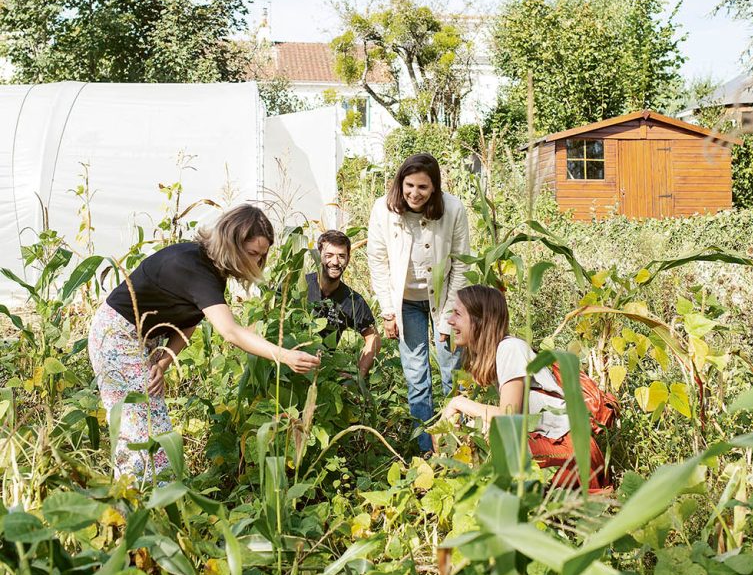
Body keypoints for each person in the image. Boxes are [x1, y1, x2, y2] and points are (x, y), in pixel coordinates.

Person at [88, 203, 321, 482]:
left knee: (151, 425)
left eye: (262, 256)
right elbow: (231, 332)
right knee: (142, 428)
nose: (256, 264)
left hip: (145, 340)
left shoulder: (211, 272)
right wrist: (284, 356)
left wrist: (163, 361)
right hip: (115, 337)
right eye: (251, 254)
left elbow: (188, 322)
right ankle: (135, 507)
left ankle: (147, 504)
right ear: (232, 242)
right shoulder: (193, 268)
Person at [437, 285, 605, 490]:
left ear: (480, 320)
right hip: (557, 448)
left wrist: (458, 403)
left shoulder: (510, 348)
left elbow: (508, 417)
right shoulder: (501, 352)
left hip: (568, 452)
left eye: (457, 313)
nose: (450, 321)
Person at [367, 153, 470, 453]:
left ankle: (457, 444)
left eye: (423, 187)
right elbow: (378, 261)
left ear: (434, 189)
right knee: (417, 378)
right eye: (409, 185)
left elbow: (461, 265)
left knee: (453, 372)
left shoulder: (453, 209)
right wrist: (388, 311)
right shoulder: (383, 210)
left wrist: (447, 318)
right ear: (400, 184)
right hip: (406, 303)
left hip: (447, 298)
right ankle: (427, 449)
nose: (414, 193)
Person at [306, 230, 381, 375]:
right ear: (318, 255)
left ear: (348, 259)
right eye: (329, 256)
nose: (335, 262)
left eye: (341, 256)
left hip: (323, 375)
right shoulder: (298, 286)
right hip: (287, 371)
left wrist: (359, 374)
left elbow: (374, 337)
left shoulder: (353, 300)